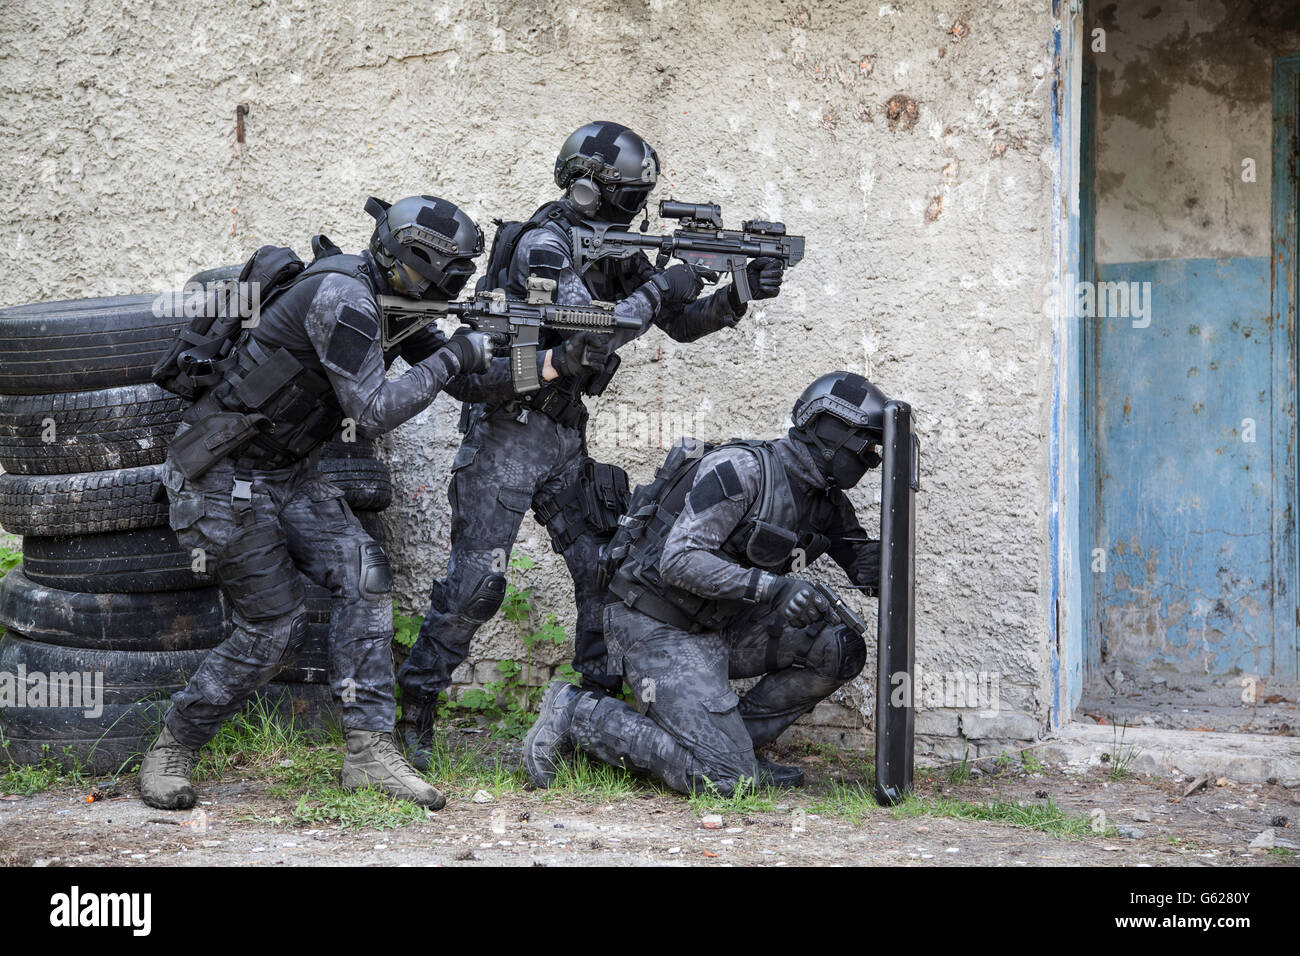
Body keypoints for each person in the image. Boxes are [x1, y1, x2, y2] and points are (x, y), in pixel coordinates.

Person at [396, 122, 787, 770]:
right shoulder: (544, 245)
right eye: (628, 195)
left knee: (604, 567)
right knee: (475, 587)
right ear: (588, 189)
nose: (634, 208)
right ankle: (413, 712)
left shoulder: (613, 247)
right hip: (503, 435)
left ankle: (587, 712)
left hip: (560, 433)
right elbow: (592, 328)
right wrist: (670, 281)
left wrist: (738, 292)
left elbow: (681, 324)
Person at [138, 195, 500, 811]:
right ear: (416, 262)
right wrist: (455, 352)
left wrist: (546, 360)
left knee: (365, 575)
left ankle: (368, 752)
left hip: (288, 474)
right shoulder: (345, 298)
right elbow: (375, 410)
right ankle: (175, 744)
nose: (456, 284)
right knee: (274, 627)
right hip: (221, 477)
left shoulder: (395, 299)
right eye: (454, 275)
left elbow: (464, 380)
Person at [523, 371, 884, 796]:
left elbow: (867, 570)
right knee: (728, 781)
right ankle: (576, 712)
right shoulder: (742, 470)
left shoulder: (826, 502)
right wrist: (772, 589)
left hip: (721, 628)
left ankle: (737, 749)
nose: (870, 461)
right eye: (867, 448)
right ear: (832, 432)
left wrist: (887, 558)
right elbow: (680, 560)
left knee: (838, 648)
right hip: (657, 626)